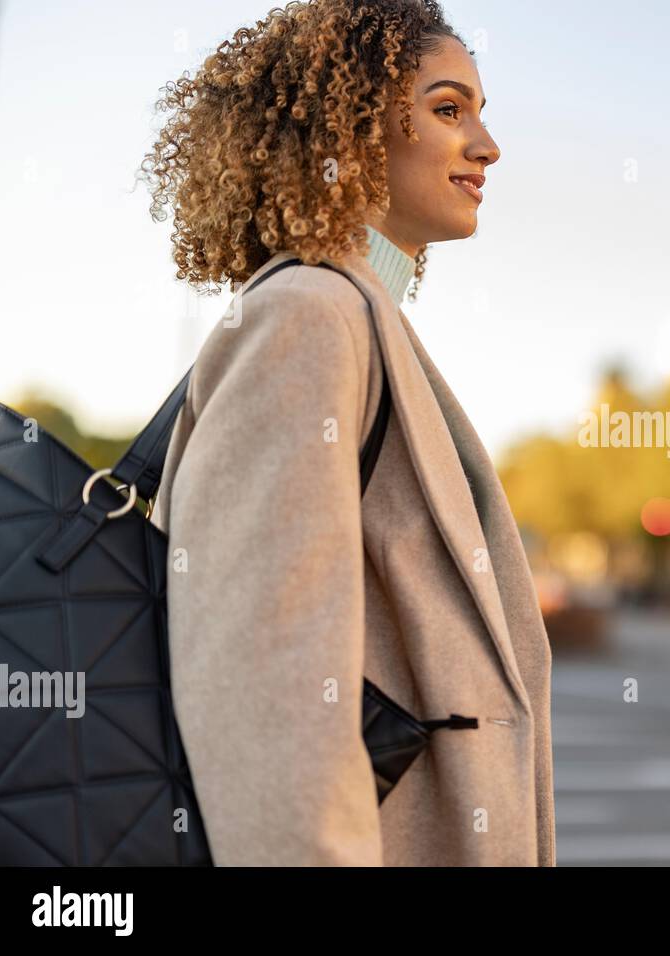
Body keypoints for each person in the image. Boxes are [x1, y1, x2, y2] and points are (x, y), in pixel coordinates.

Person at [139, 0, 555, 866]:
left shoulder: (365, 325)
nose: (488, 145)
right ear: (354, 128)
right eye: (449, 110)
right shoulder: (309, 318)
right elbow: (270, 695)